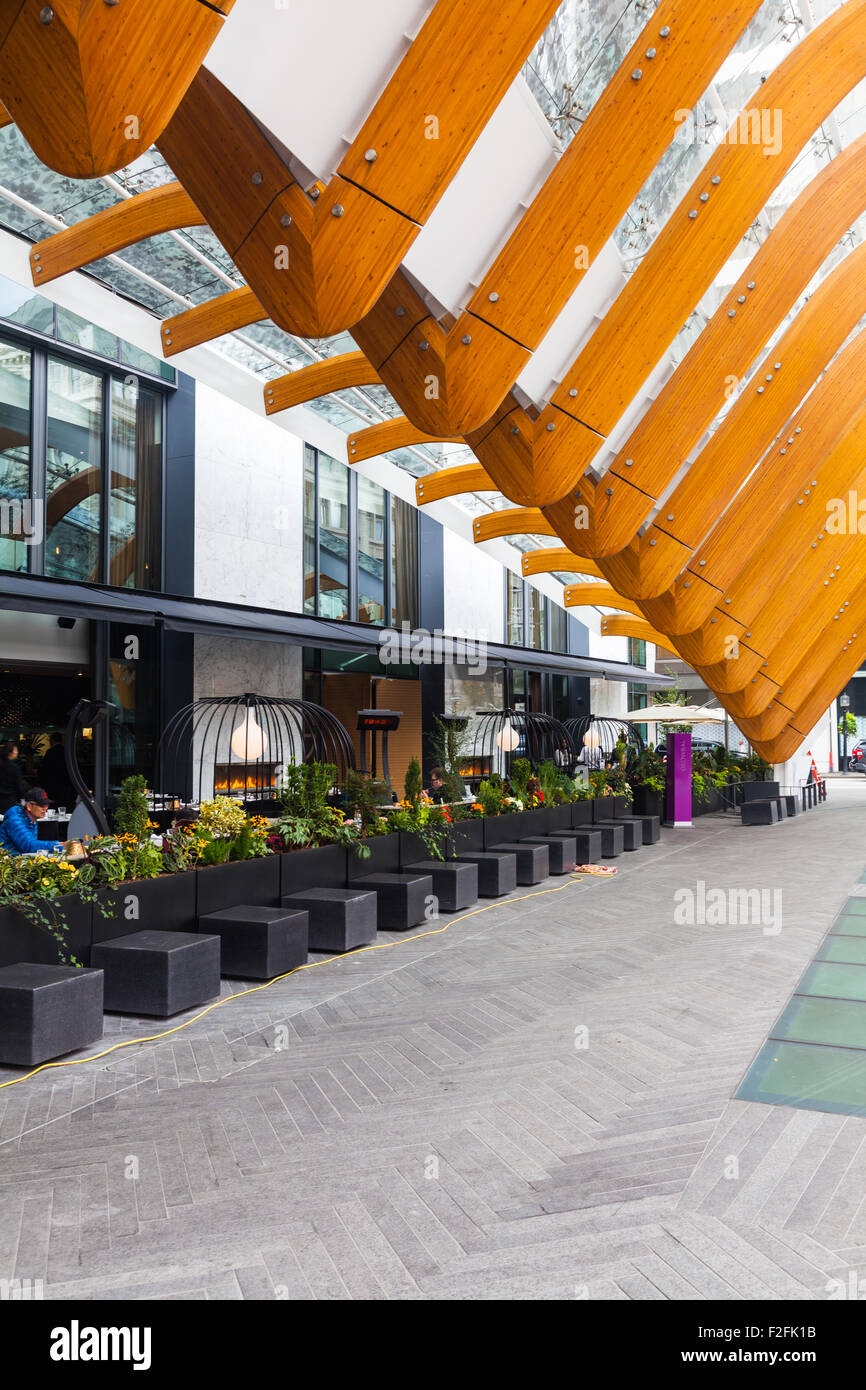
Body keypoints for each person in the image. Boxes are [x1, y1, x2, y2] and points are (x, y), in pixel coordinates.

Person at [0, 788, 67, 855]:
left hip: (19, 857)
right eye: (41, 805)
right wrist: (61, 845)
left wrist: (60, 845)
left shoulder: (31, 817)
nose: (45, 808)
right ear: (29, 806)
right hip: (7, 861)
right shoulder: (14, 819)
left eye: (47, 805)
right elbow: (28, 845)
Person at [38, 731, 75, 812]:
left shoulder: (50, 752)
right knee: (64, 804)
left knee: (54, 805)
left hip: (53, 783)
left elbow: (45, 768)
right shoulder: (66, 751)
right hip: (65, 782)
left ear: (52, 740)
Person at [0, 741, 25, 815]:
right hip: (10, 801)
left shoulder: (1, 765)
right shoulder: (15, 767)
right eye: (16, 750)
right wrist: (22, 800)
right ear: (11, 753)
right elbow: (19, 786)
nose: (17, 752)